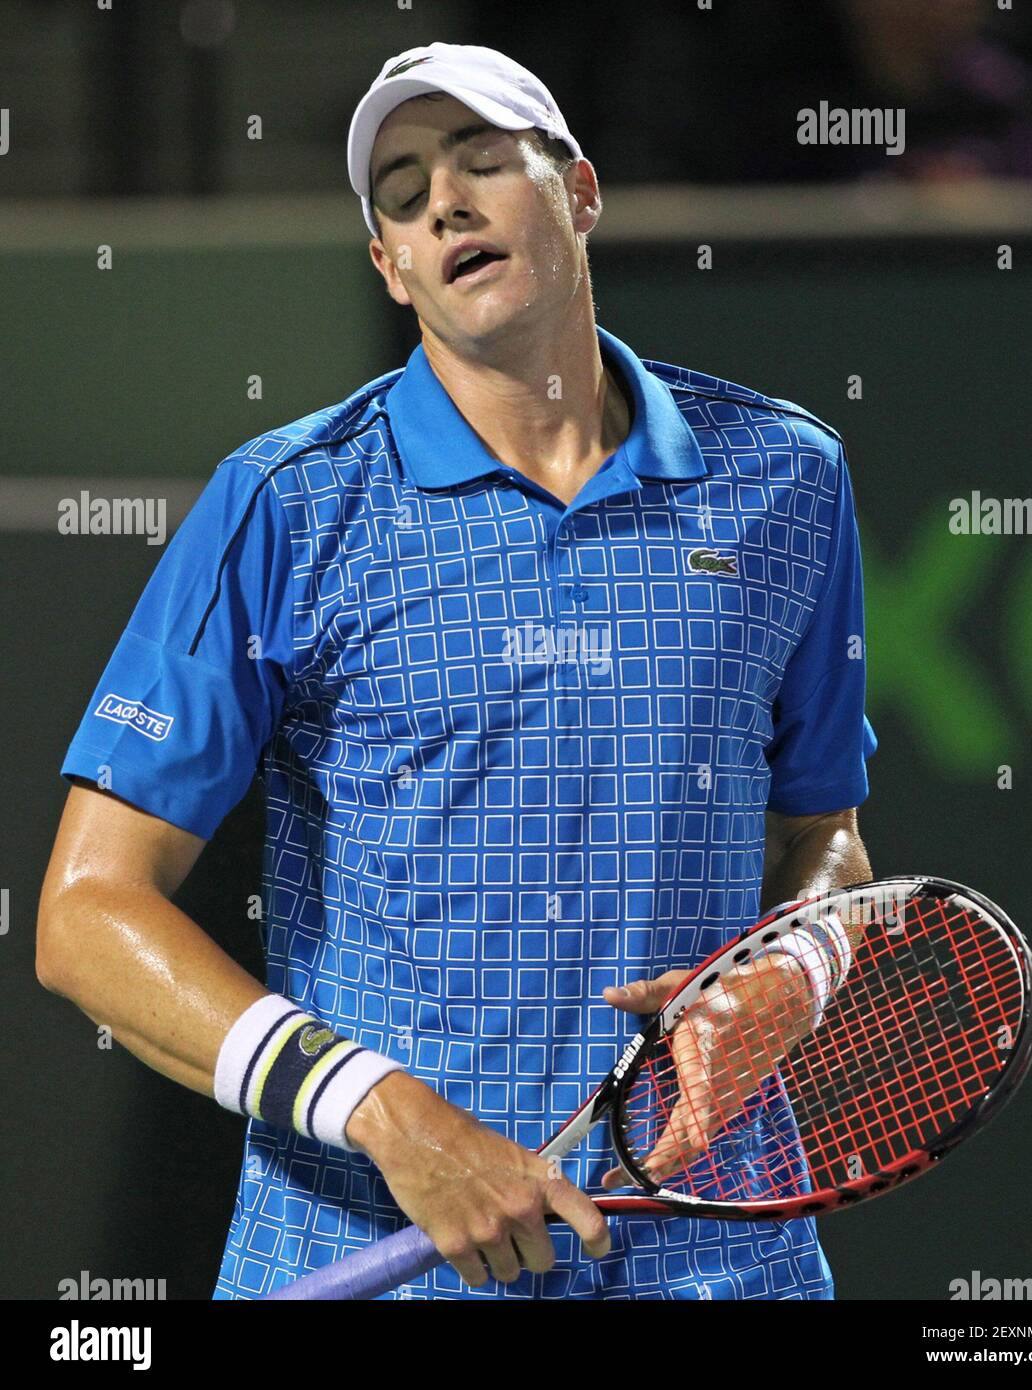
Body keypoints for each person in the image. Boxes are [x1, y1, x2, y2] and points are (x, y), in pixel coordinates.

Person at [37, 42, 876, 1300]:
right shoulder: (284, 502)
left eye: (486, 161)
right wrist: (385, 1111)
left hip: (720, 1257)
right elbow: (84, 916)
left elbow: (828, 840)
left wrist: (793, 976)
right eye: (404, 189)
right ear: (391, 262)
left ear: (580, 194)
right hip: (373, 1256)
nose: (445, 201)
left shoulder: (786, 479)